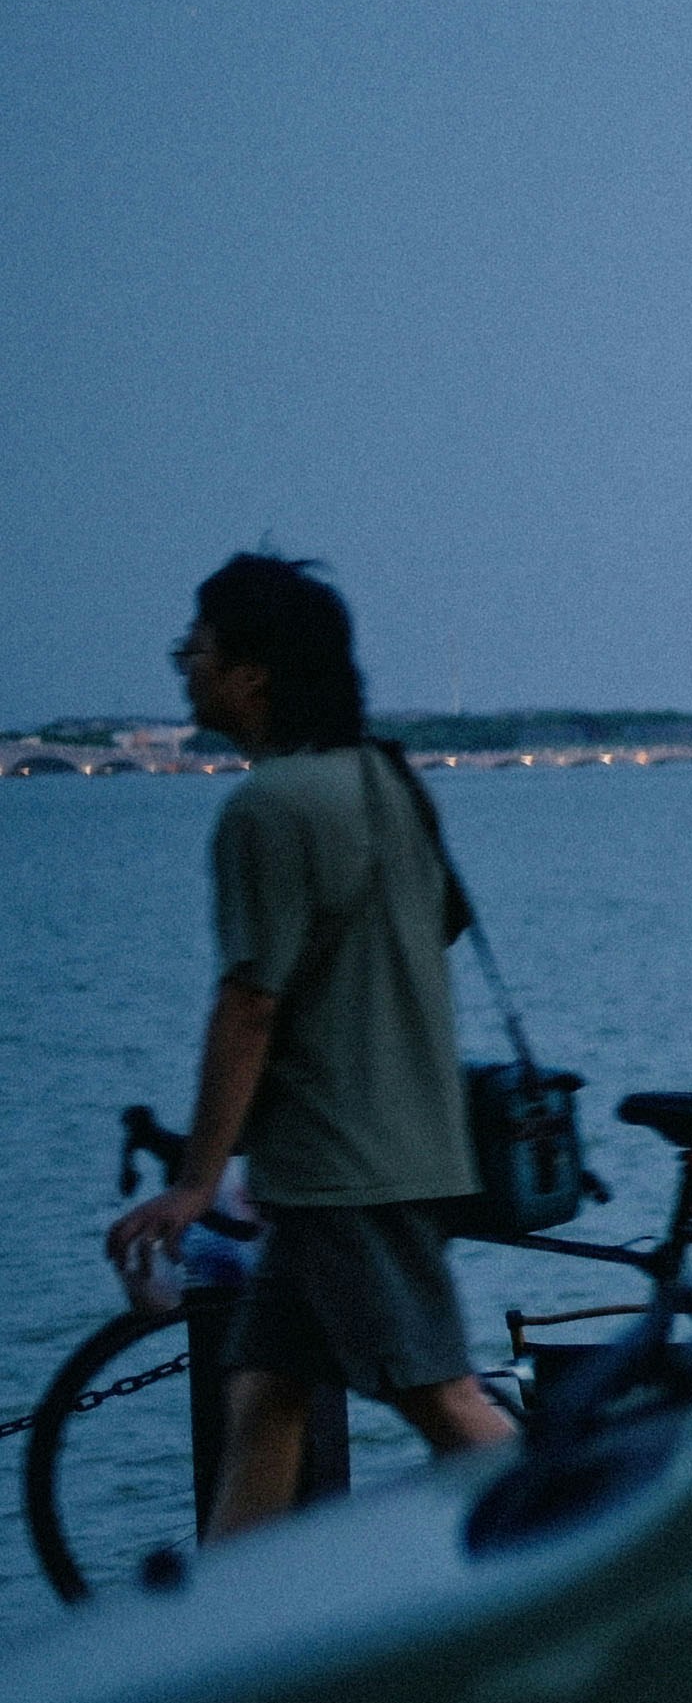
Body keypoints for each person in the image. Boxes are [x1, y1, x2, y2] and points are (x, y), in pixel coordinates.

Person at [98, 554, 517, 1535]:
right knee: (267, 1396)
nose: (182, 669)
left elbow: (248, 1006)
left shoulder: (268, 808)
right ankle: (225, 1641)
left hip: (344, 1171)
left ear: (252, 674)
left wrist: (197, 1182)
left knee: (444, 1401)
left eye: (193, 649)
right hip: (394, 1144)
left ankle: (604, 1568)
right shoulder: (386, 778)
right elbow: (435, 927)